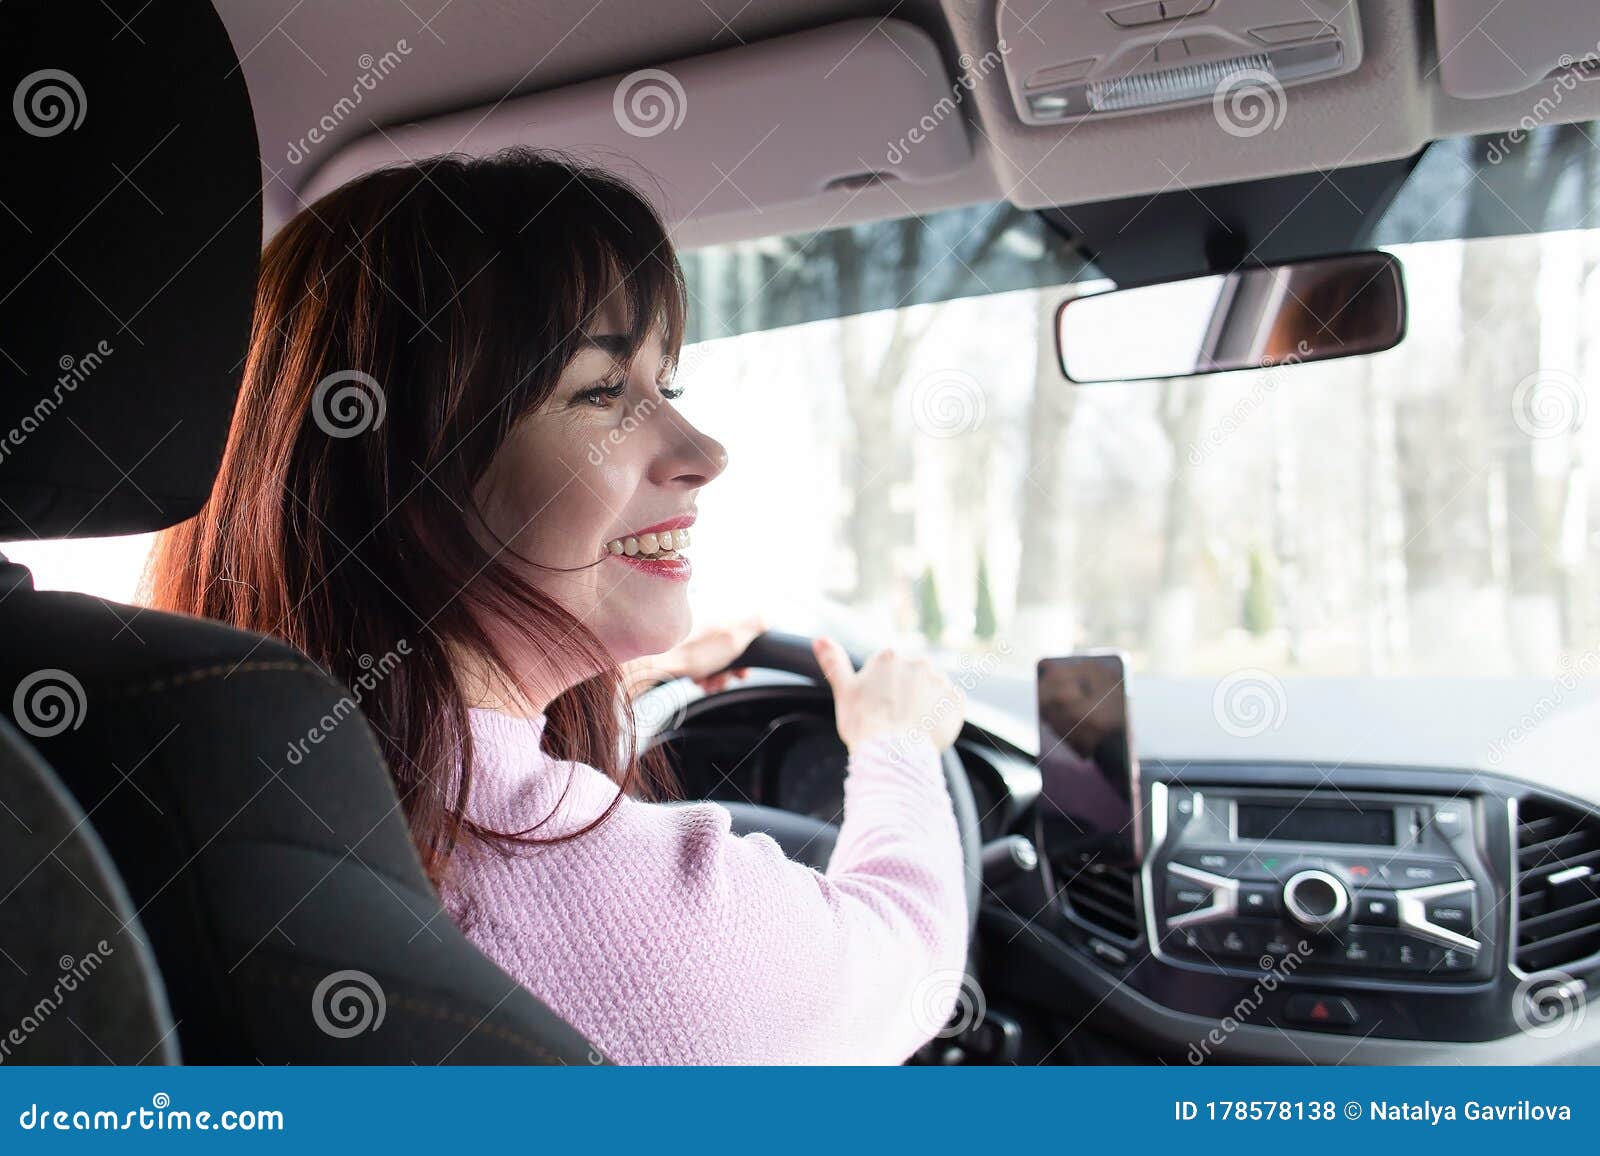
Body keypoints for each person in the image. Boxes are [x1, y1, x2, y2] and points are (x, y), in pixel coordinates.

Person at [143, 148, 969, 1064]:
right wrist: (899, 746)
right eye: (604, 391)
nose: (703, 449)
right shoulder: (602, 898)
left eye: (670, 386)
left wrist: (645, 673)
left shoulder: (186, 753)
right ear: (395, 471)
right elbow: (908, 957)